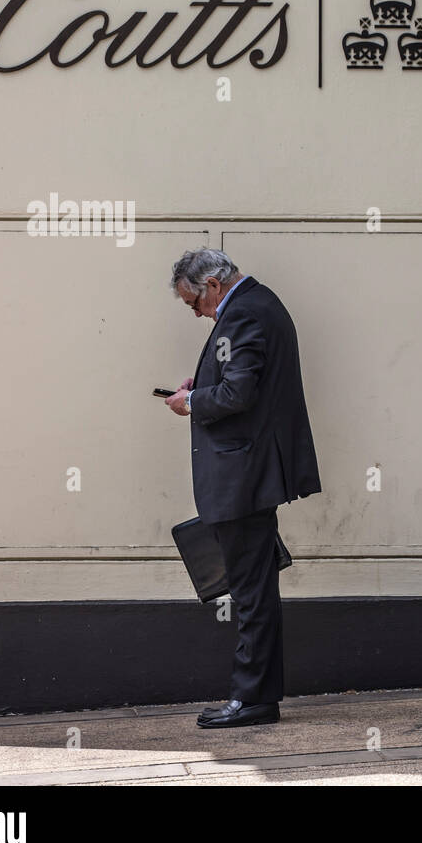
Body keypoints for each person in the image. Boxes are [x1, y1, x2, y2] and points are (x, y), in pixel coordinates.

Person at [164, 248, 321, 728]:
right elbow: (238, 380)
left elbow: (238, 394)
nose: (195, 312)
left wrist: (191, 400)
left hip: (243, 477)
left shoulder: (245, 312)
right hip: (250, 474)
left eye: (194, 302)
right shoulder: (256, 305)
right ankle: (256, 696)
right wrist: (203, 381)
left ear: (213, 285)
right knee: (255, 588)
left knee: (251, 592)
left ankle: (252, 699)